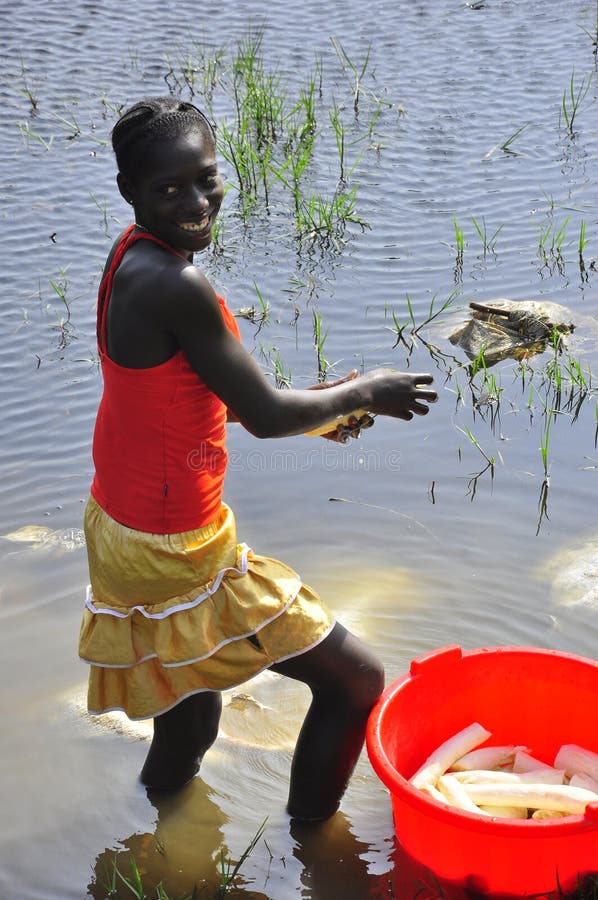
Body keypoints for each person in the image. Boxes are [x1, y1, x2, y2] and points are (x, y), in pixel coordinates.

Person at [78, 96, 437, 822]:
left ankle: (154, 836)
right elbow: (268, 414)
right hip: (172, 548)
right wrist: (367, 390)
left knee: (190, 719)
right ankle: (313, 848)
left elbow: (197, 394)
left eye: (206, 178)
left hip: (127, 526)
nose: (195, 201)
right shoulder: (176, 284)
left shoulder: (134, 258)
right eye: (168, 188)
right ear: (131, 192)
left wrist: (321, 416)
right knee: (356, 681)